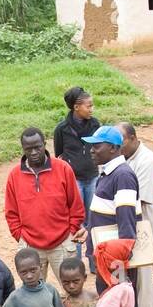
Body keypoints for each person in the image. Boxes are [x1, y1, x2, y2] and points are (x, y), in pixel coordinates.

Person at [4, 127, 86, 283]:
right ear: (23, 149)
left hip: (62, 243)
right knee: (33, 293)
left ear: (45, 144)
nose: (34, 152)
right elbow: (11, 212)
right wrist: (21, 236)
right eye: (29, 149)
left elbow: (76, 205)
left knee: (72, 290)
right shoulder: (14, 176)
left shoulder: (63, 168)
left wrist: (71, 232)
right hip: (31, 246)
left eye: (37, 147)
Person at [83, 125, 143, 307]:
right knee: (110, 303)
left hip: (115, 259)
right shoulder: (108, 172)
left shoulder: (122, 175)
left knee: (120, 305)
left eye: (97, 146)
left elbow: (127, 223)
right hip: (106, 256)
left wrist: (119, 263)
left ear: (113, 148)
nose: (92, 150)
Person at [115, 121, 153, 307]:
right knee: (123, 275)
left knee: (143, 276)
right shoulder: (119, 158)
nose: (117, 146)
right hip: (123, 224)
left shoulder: (147, 160)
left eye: (120, 141)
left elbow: (138, 201)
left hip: (143, 225)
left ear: (133, 138)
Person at [53, 86, 101, 248]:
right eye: (89, 106)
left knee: (94, 218)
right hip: (74, 181)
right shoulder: (61, 129)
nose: (92, 109)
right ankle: (76, 259)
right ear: (76, 107)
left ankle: (94, 258)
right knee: (77, 220)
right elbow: (59, 155)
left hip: (93, 177)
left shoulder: (95, 125)